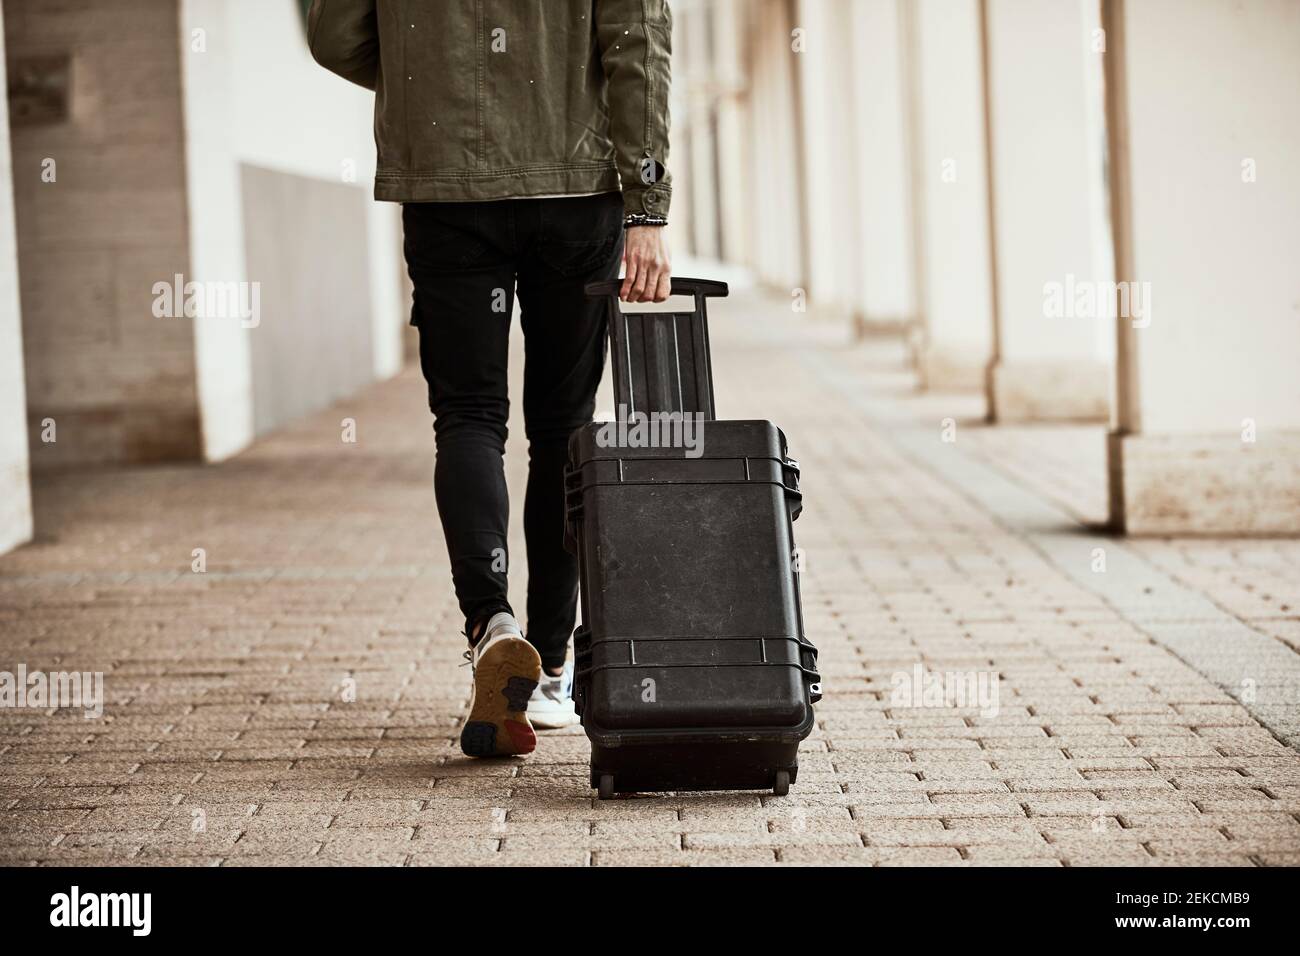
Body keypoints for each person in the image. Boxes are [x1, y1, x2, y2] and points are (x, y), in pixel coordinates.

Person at [307, 1, 673, 757]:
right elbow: (637, 46)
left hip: (447, 191)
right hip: (575, 193)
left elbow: (333, 34)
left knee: (468, 417)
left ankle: (491, 623)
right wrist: (648, 208)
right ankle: (548, 669)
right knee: (563, 427)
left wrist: (428, 84)